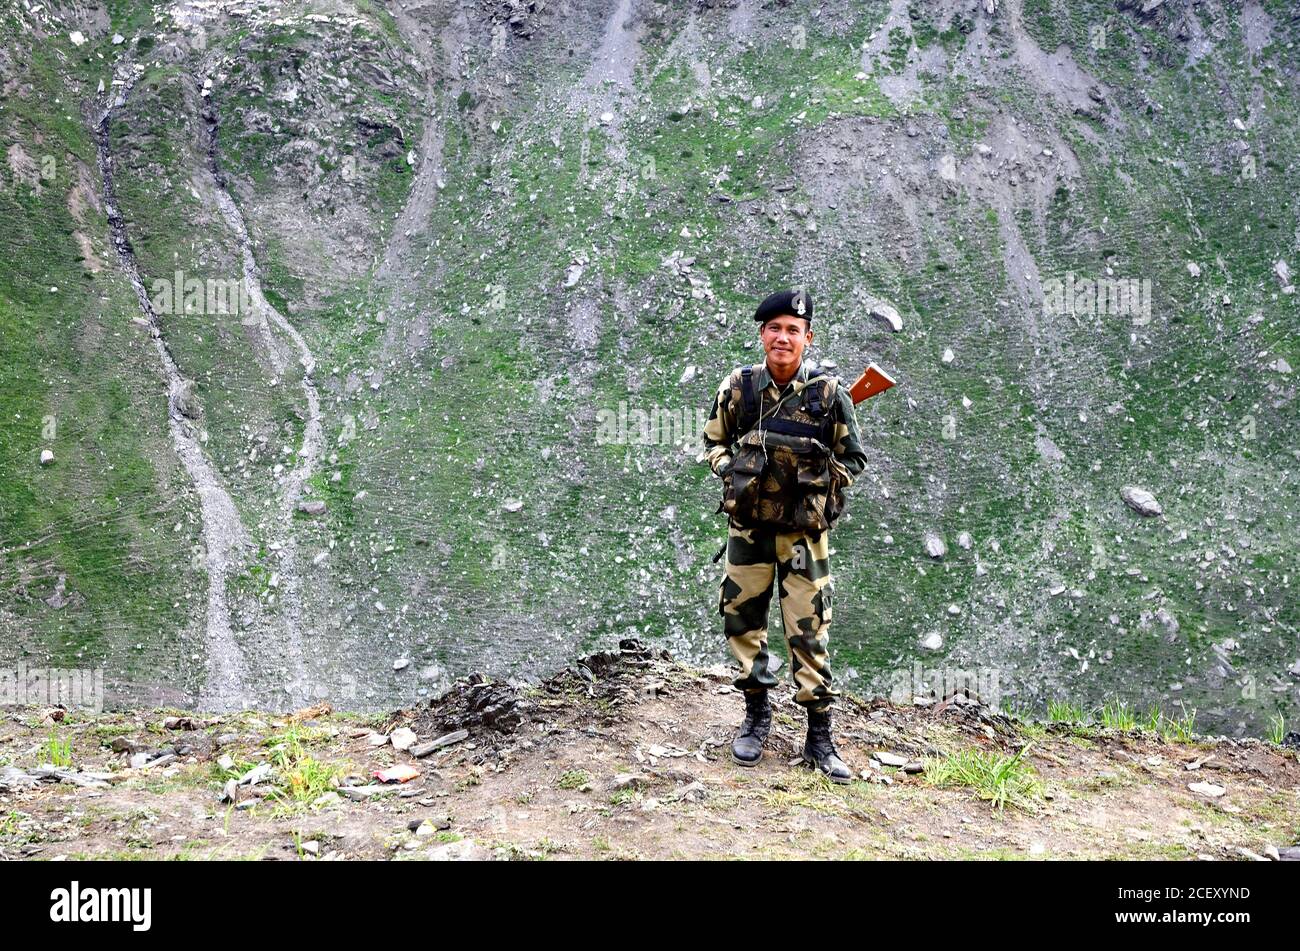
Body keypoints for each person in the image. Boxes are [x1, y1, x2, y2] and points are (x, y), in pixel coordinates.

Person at [701, 288, 867, 783]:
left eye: (793, 330)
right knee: (742, 621)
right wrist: (732, 470)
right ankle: (756, 718)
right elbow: (713, 440)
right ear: (762, 335)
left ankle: (819, 735)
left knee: (809, 632)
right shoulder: (739, 388)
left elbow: (854, 458)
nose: (782, 337)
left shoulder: (828, 394)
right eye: (774, 328)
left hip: (802, 537)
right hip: (749, 530)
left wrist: (820, 480)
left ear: (807, 338)